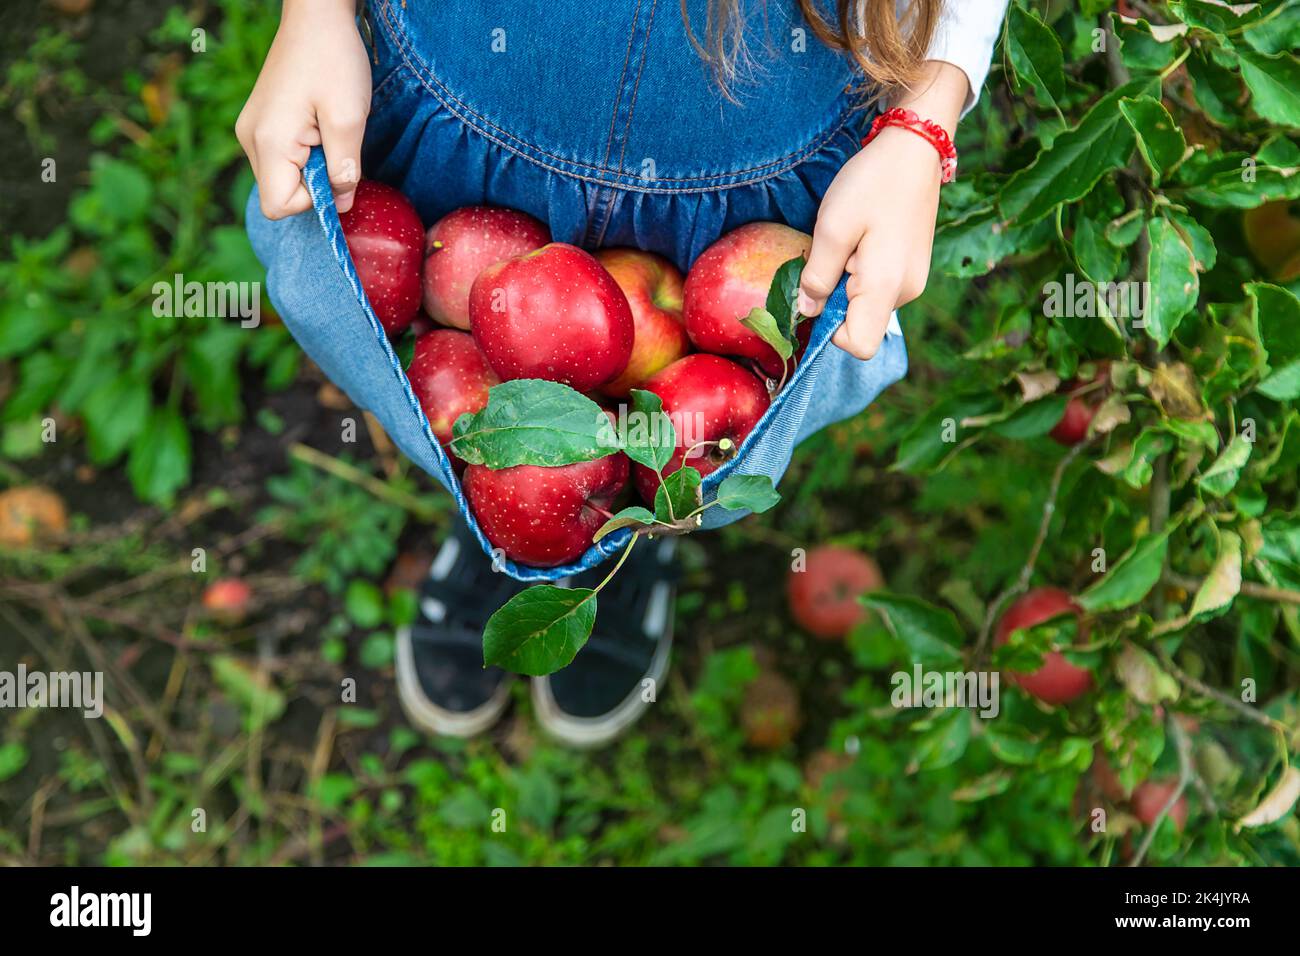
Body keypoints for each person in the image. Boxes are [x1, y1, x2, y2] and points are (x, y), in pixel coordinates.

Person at [237, 0, 1007, 746]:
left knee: (683, 440)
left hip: (758, 168)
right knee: (458, 370)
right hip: (467, 104)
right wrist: (315, 12)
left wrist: (925, 115)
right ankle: (501, 504)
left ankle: (634, 526)